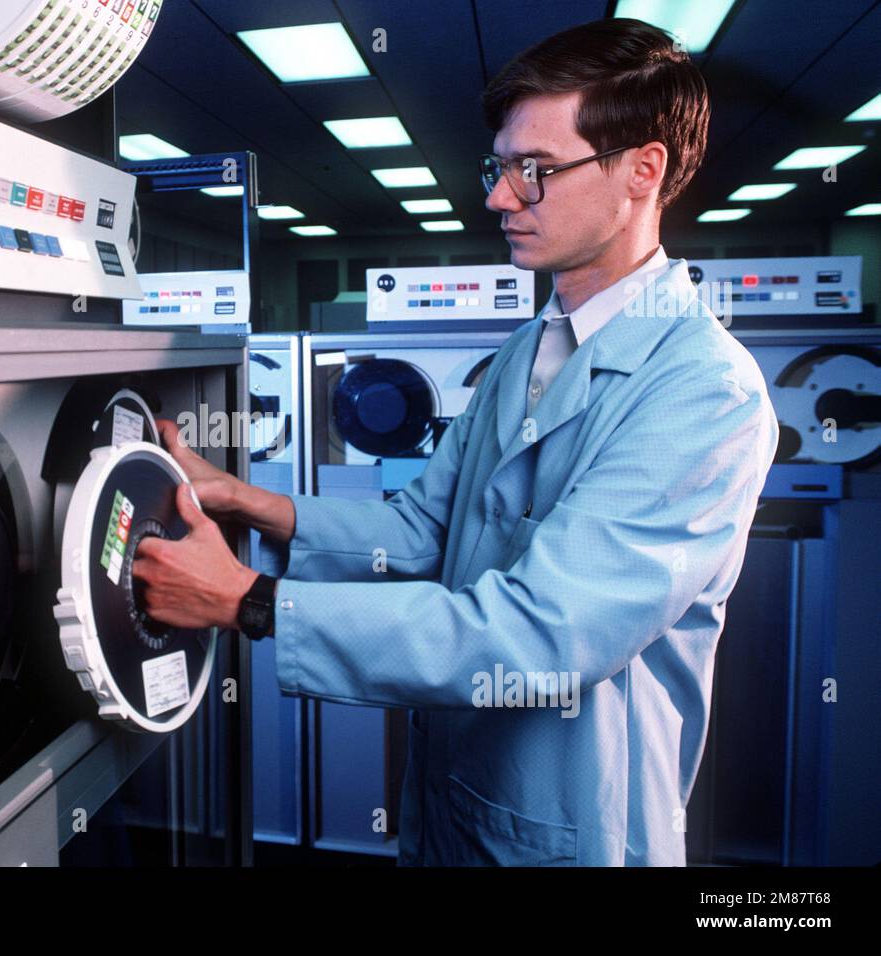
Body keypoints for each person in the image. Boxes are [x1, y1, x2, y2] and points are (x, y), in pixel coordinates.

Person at [131, 17, 779, 866]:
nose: (499, 197)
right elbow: (423, 531)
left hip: (576, 833)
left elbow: (544, 635)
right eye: (500, 167)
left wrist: (251, 601)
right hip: (458, 805)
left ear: (642, 171)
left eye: (534, 171)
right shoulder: (528, 351)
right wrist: (247, 500)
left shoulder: (704, 392)